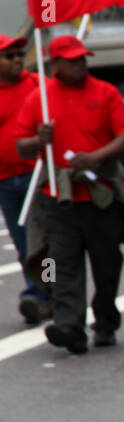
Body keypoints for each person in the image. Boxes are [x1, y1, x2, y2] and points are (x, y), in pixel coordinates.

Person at [13, 36, 124, 353]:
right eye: (73, 60)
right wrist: (39, 140)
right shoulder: (40, 99)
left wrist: (96, 156)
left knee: (107, 265)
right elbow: (20, 144)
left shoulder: (105, 92)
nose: (81, 64)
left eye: (83, 59)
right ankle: (69, 326)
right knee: (62, 265)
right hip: (58, 198)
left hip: (101, 196)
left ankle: (105, 320)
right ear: (55, 65)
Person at [0, 34, 50, 324]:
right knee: (23, 244)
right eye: (10, 55)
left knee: (44, 242)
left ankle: (48, 293)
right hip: (6, 181)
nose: (18, 59)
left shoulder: (37, 86)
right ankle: (39, 292)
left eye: (20, 54)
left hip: (37, 176)